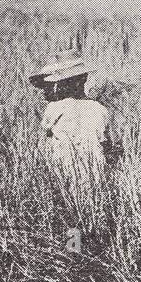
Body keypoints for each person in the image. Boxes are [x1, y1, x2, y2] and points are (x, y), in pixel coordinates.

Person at [29, 48, 121, 183]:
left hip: (63, 178)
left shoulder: (54, 109)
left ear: (58, 86)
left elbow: (46, 143)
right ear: (83, 79)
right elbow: (109, 145)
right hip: (96, 178)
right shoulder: (99, 109)